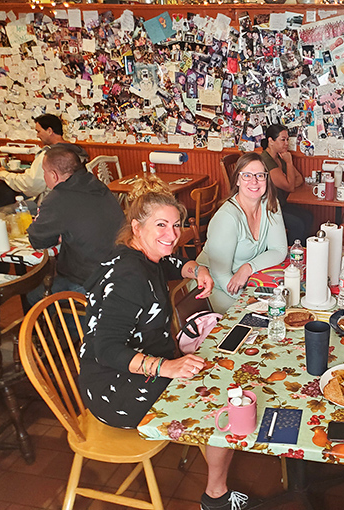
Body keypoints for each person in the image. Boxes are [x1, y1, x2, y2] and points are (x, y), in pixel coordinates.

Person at [79, 180, 254, 510]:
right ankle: (215, 496)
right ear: (136, 226)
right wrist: (167, 367)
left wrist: (196, 268)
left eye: (175, 225)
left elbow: (172, 263)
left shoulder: (142, 255)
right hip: (113, 387)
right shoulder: (128, 275)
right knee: (224, 398)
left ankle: (213, 471)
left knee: (222, 375)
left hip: (137, 368)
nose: (172, 234)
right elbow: (107, 350)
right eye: (161, 225)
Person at [26, 145, 125, 303]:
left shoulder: (57, 198)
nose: (44, 176)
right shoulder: (96, 184)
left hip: (90, 281)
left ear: (53, 175)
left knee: (33, 297)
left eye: (44, 172)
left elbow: (37, 240)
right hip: (121, 271)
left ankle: (72, 326)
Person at [196, 152, 287, 314]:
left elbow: (279, 250)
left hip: (247, 282)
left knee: (284, 306)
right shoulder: (227, 218)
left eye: (260, 175)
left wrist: (248, 268)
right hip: (214, 287)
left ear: (266, 179)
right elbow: (221, 275)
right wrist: (254, 303)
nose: (254, 181)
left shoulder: (270, 203)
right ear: (237, 180)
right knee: (267, 316)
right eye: (247, 175)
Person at [0, 114, 88, 209]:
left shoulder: (48, 155)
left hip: (53, 204)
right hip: (76, 201)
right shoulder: (76, 151)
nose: (37, 136)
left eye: (38, 131)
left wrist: (2, 174)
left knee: (1, 212)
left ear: (49, 131)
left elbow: (30, 184)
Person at [260, 124, 315, 245]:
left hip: (281, 203)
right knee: (298, 224)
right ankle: (291, 255)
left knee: (308, 216)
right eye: (283, 139)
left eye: (287, 140)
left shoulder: (279, 157)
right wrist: (289, 163)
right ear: (271, 141)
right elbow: (290, 187)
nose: (286, 143)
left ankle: (302, 251)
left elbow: (299, 179)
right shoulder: (266, 160)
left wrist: (289, 181)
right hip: (268, 208)